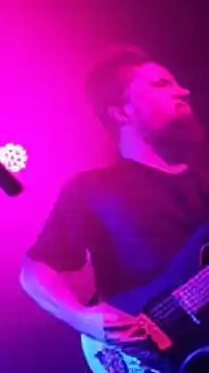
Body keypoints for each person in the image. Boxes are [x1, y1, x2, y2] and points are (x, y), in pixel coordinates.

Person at [21, 46, 208, 371]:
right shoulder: (93, 189)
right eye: (162, 84)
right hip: (145, 356)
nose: (184, 91)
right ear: (122, 112)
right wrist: (83, 319)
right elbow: (35, 272)